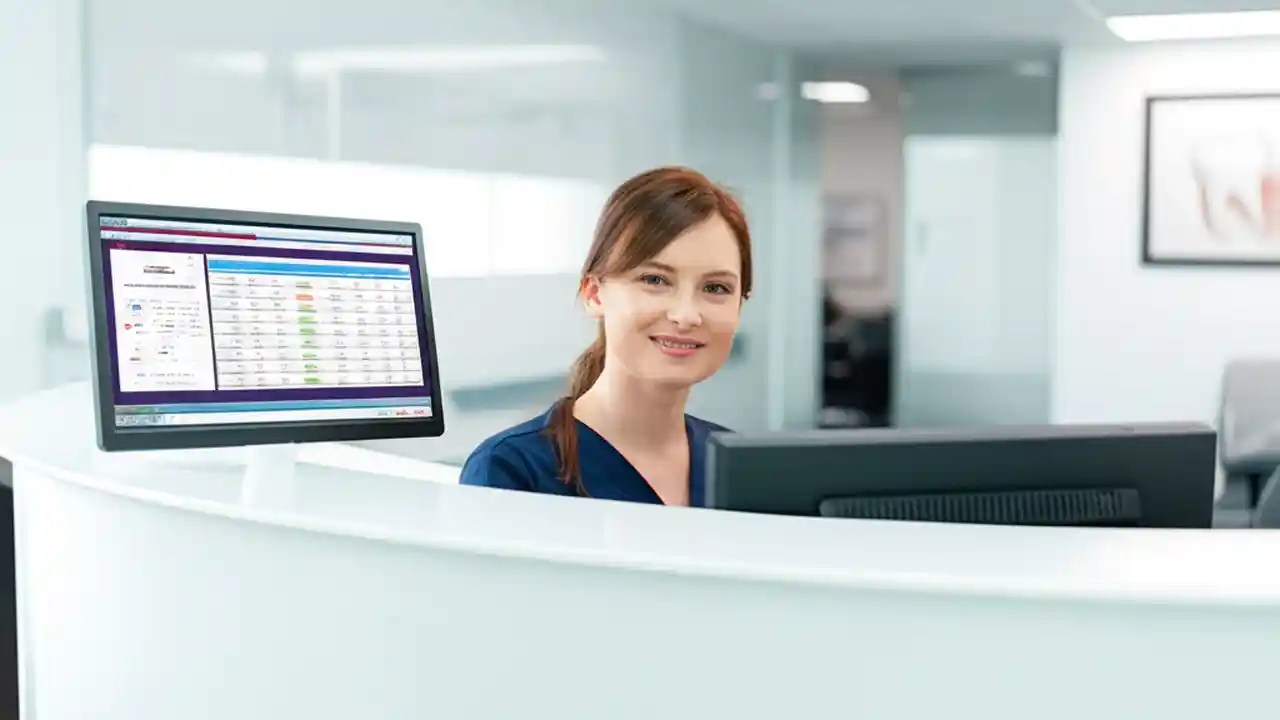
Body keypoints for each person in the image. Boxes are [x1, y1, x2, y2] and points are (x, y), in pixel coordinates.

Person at [459, 166, 753, 506]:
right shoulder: (512, 471)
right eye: (655, 280)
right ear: (594, 293)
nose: (686, 315)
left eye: (716, 287)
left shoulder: (741, 467)